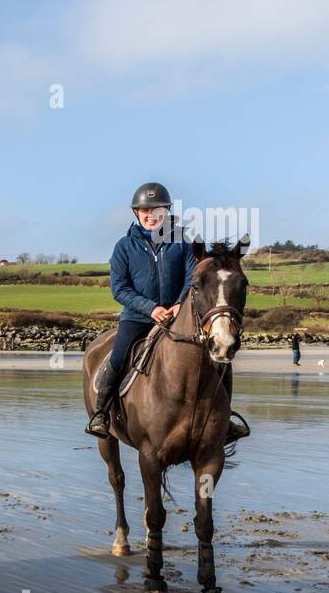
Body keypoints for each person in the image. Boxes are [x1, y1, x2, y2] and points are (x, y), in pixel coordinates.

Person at [87, 181, 249, 443]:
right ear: (136, 214)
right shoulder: (123, 247)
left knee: (220, 362)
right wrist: (151, 309)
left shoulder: (182, 242)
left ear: (167, 212)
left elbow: (192, 279)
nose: (151, 216)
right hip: (138, 318)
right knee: (116, 358)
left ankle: (225, 417)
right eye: (145, 211)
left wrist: (176, 305)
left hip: (178, 316)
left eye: (158, 211)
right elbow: (120, 289)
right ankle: (101, 413)